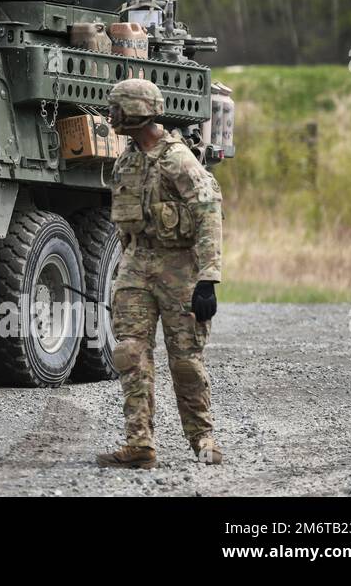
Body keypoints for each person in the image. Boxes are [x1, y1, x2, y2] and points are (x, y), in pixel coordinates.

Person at [96, 78, 224, 468]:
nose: (111, 116)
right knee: (130, 352)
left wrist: (208, 278)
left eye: (117, 108)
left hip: (179, 267)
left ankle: (203, 439)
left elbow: (208, 212)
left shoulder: (178, 159)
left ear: (136, 111)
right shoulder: (128, 160)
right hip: (137, 263)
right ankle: (140, 445)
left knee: (185, 360)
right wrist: (122, 272)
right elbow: (125, 221)